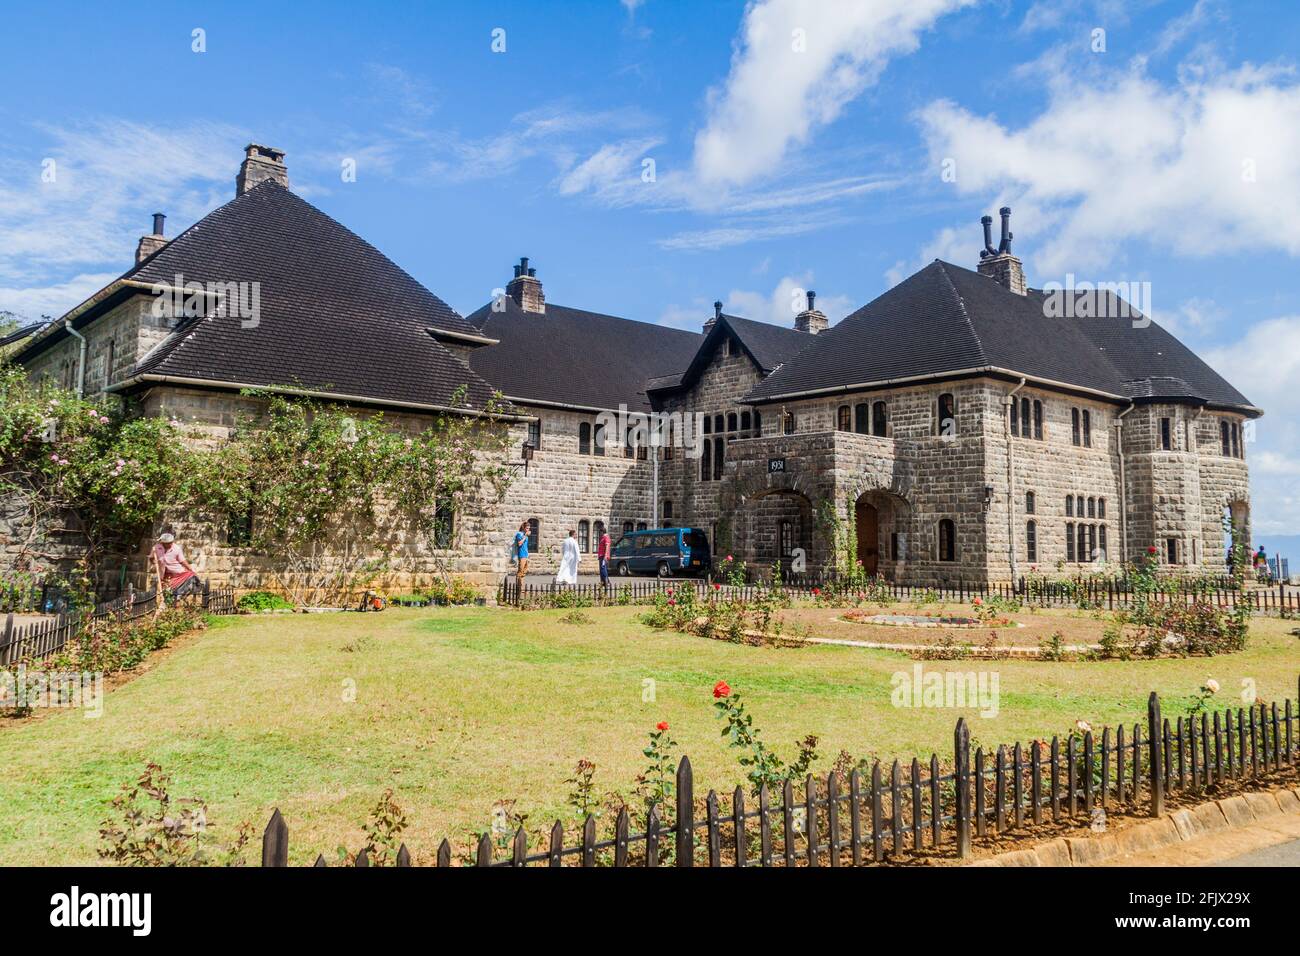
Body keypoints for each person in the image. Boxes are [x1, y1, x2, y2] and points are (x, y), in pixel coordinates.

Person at [152, 531, 200, 602]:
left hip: (178, 573)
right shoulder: (156, 548)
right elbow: (151, 558)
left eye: (171, 542)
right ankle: (169, 603)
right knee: (166, 591)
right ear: (163, 543)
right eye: (168, 543)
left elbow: (183, 561)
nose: (171, 544)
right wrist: (154, 562)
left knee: (191, 576)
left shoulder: (176, 548)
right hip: (165, 575)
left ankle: (180, 597)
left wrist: (191, 569)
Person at [514, 521, 531, 589]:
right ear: (523, 527)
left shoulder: (524, 535)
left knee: (524, 571)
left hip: (526, 555)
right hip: (521, 555)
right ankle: (518, 587)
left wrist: (528, 554)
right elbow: (519, 543)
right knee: (520, 571)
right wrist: (526, 535)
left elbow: (525, 546)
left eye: (529, 528)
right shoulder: (519, 534)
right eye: (527, 528)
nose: (528, 530)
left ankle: (521, 586)